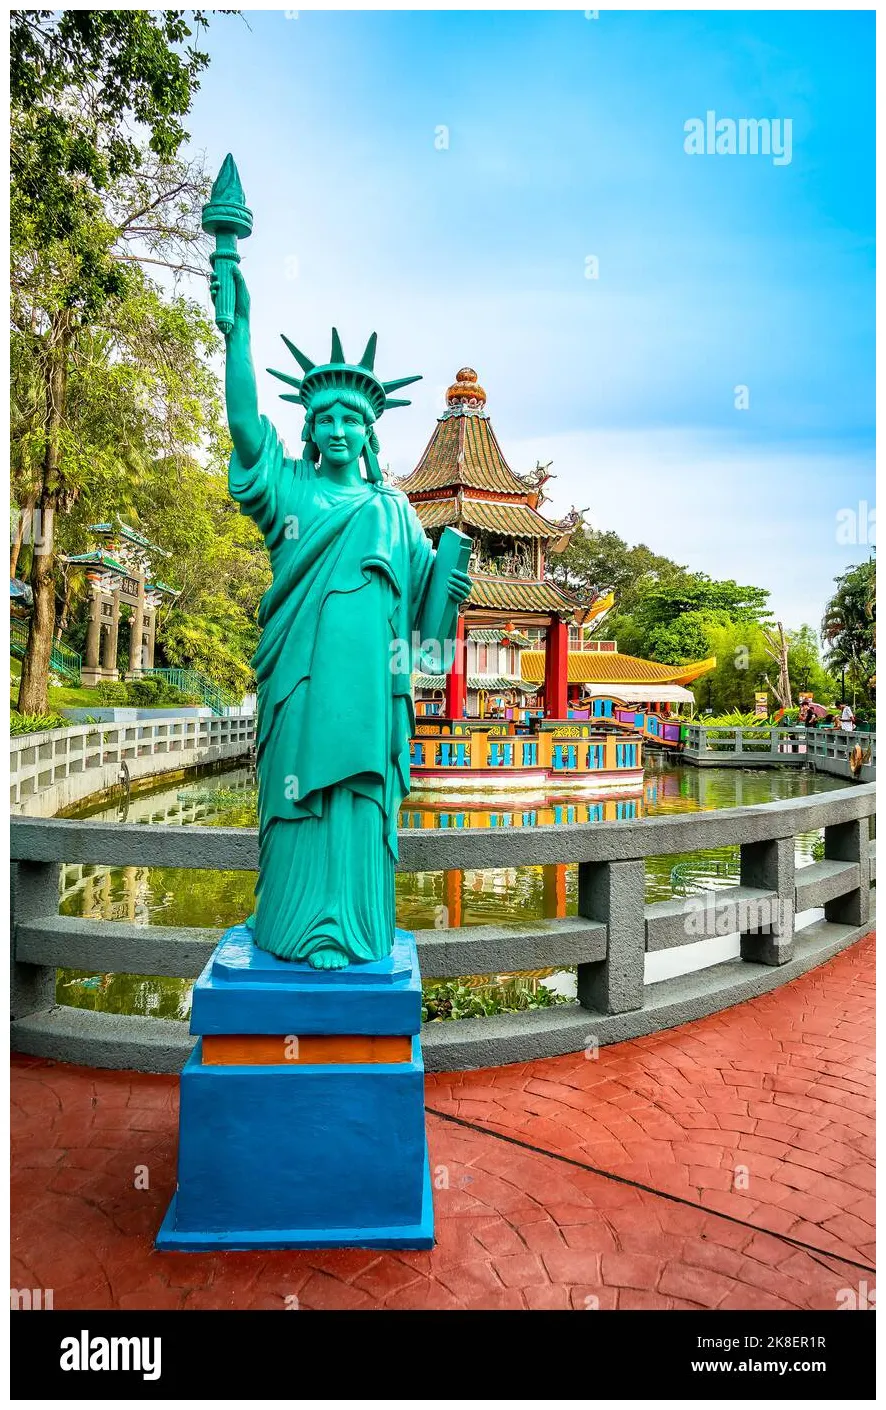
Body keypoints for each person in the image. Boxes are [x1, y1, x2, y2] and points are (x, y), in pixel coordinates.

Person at [212, 264, 471, 969]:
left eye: (349, 419)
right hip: (298, 685)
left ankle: (350, 928)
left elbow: (426, 635)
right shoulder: (289, 491)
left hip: (367, 698)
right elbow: (242, 424)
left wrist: (451, 583)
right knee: (295, 807)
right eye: (322, 417)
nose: (335, 429)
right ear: (308, 425)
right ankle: (295, 926)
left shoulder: (395, 513)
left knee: (357, 806)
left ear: (369, 432)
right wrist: (236, 330)